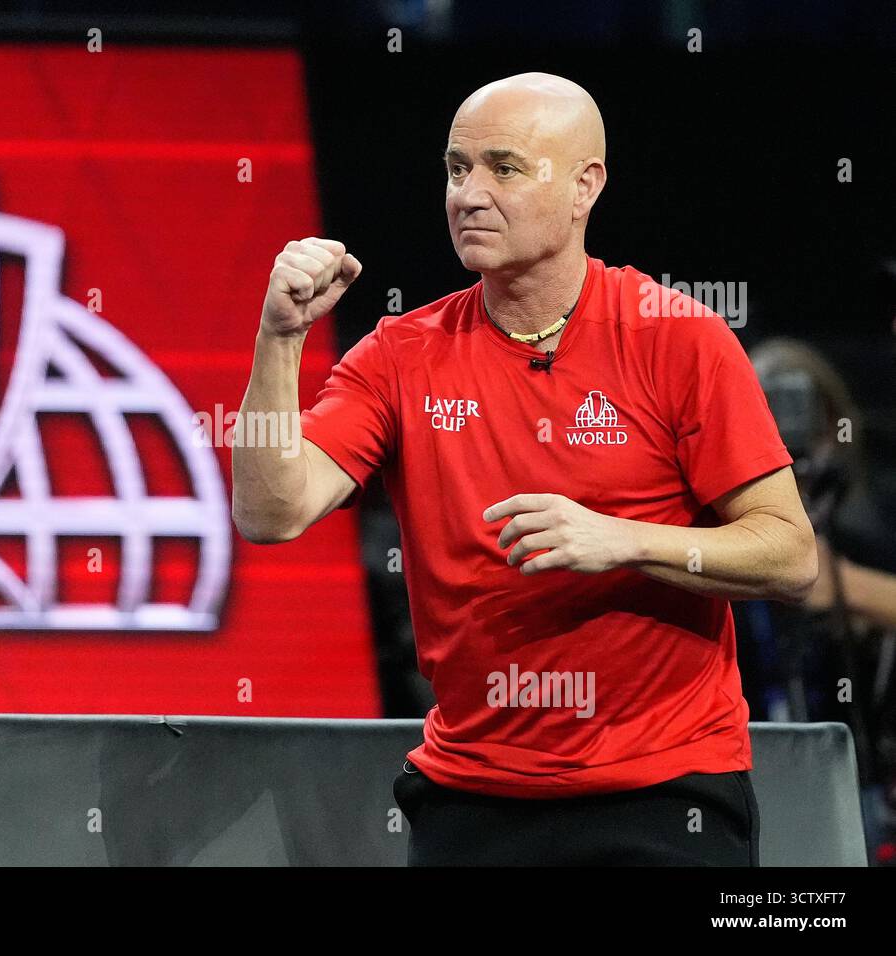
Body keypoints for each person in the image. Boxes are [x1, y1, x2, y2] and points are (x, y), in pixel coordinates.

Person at [230, 72, 818, 866]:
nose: (468, 193)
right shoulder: (402, 355)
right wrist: (280, 340)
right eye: (455, 168)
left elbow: (789, 555)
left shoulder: (680, 339)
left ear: (585, 187)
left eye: (503, 168)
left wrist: (622, 540)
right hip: (473, 798)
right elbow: (271, 513)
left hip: (664, 794)